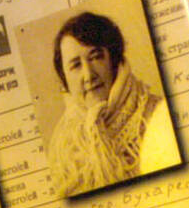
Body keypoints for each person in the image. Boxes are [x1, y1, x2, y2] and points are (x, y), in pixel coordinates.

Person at [47, 10, 178, 197]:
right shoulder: (63, 146)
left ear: (114, 61)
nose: (88, 75)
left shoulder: (158, 115)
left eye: (95, 57)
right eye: (76, 65)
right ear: (65, 80)